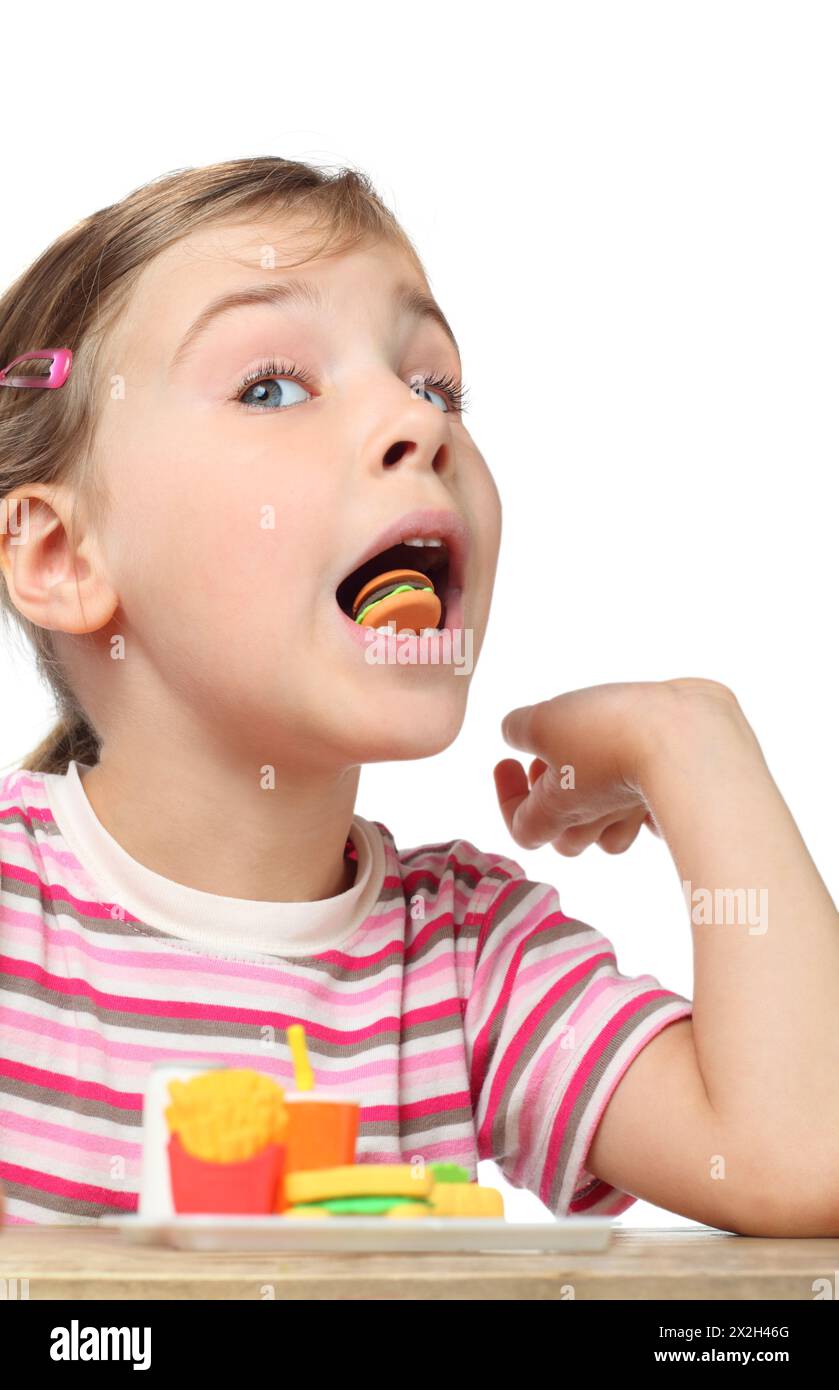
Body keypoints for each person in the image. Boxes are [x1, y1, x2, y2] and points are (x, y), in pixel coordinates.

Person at [0, 158, 836, 1232]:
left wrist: (690, 738)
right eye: (271, 386)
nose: (417, 421)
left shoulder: (467, 961)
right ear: (62, 554)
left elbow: (802, 1158)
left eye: (434, 384)